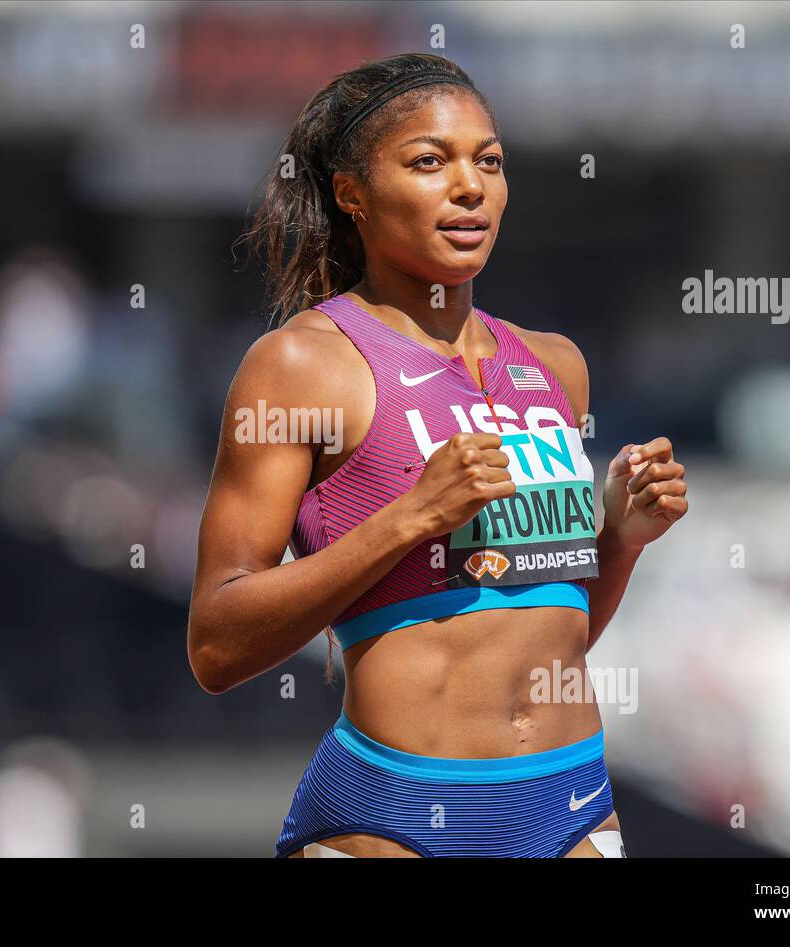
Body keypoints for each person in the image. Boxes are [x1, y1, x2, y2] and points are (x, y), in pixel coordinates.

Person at [187, 53, 687, 857]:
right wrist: (413, 515)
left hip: (572, 803)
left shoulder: (555, 366)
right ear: (351, 192)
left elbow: (546, 633)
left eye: (489, 161)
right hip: (393, 811)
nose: (470, 186)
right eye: (429, 161)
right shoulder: (301, 365)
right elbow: (215, 645)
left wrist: (618, 541)